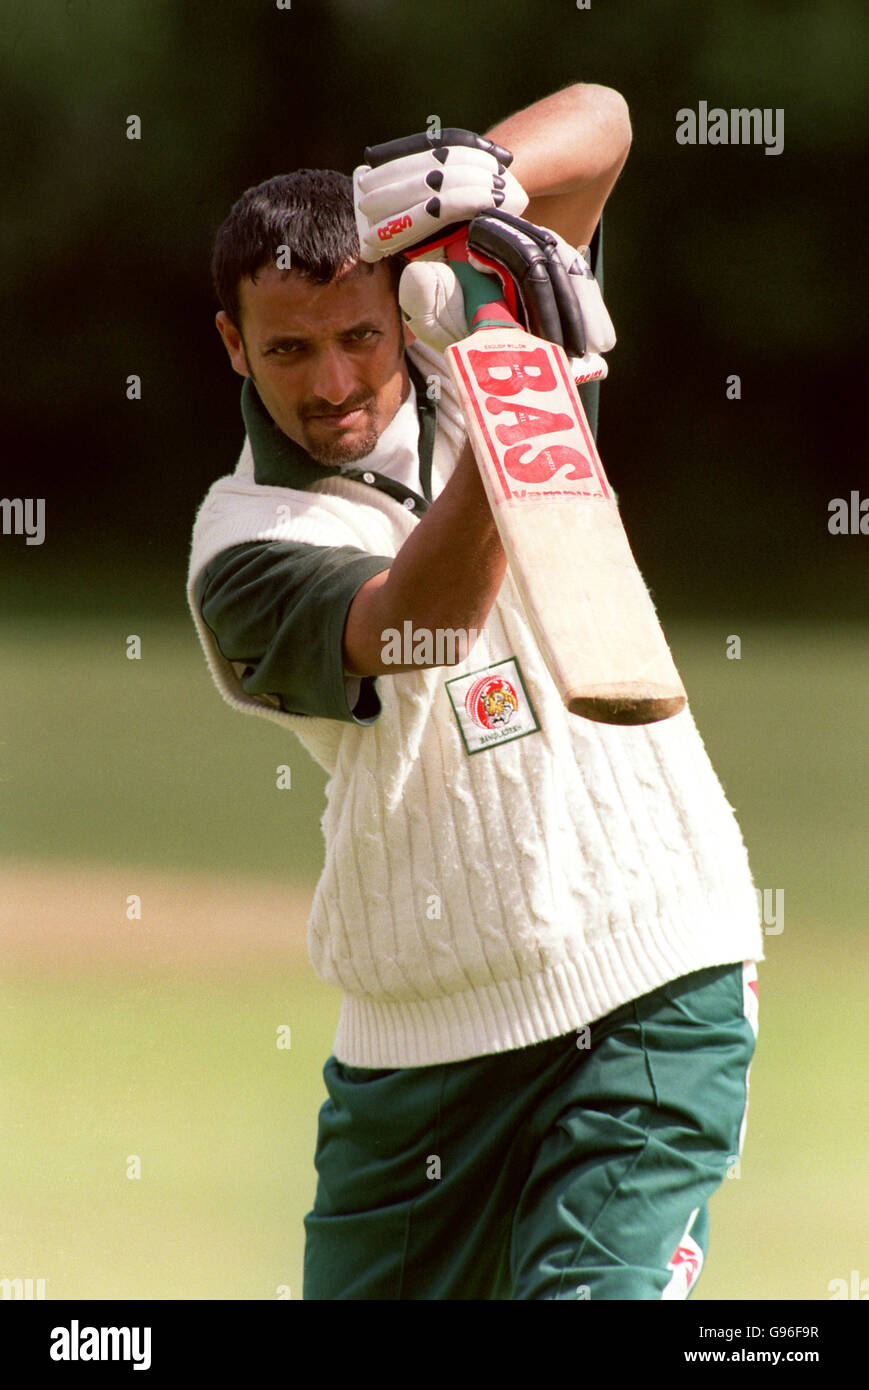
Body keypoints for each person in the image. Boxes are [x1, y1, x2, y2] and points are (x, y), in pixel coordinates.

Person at [187, 84, 763, 1301]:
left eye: (359, 335)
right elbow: (417, 626)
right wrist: (529, 412)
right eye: (288, 349)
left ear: (400, 306)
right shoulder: (241, 547)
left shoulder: (467, 339)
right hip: (416, 1050)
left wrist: (484, 177)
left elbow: (604, 121)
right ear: (233, 344)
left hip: (649, 964)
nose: (335, 380)